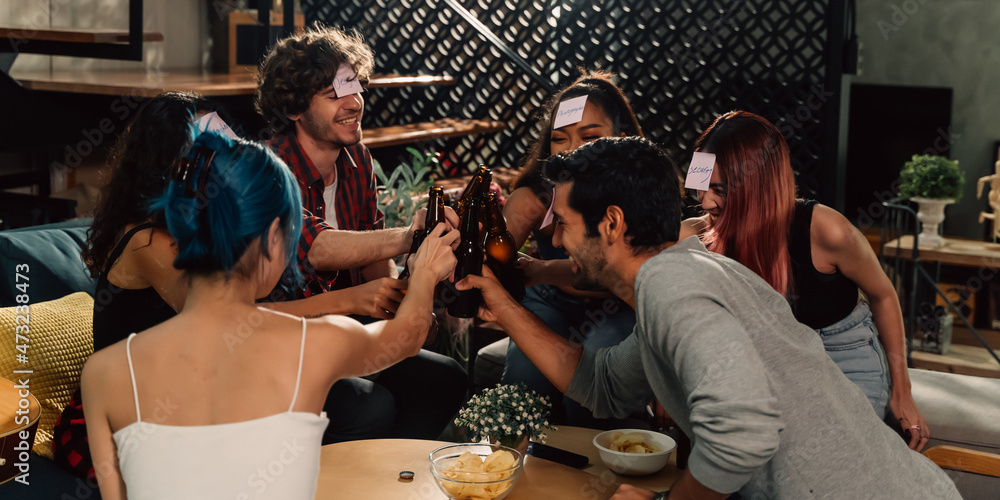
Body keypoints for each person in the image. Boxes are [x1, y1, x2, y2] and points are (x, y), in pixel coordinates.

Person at [457, 137, 960, 500]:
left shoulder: (671, 285)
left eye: (563, 224)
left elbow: (742, 434)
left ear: (610, 223)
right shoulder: (680, 272)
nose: (558, 240)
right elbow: (603, 384)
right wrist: (503, 306)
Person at [52, 91, 454, 480]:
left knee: (436, 379)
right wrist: (356, 297)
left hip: (219, 363)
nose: (226, 153)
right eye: (210, 144)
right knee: (363, 404)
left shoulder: (217, 219)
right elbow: (225, 319)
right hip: (173, 385)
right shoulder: (151, 240)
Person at [254, 25, 468, 442]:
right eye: (335, 95)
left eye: (355, 88)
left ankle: (391, 476)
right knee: (369, 404)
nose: (354, 103)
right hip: (281, 341)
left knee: (446, 379)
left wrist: (406, 305)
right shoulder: (266, 168)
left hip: (345, 330)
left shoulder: (357, 160)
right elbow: (316, 248)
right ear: (295, 108)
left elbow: (371, 259)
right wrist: (410, 236)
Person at [678, 110, 928, 450]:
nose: (706, 203)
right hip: (768, 359)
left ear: (758, 185)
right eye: (701, 189)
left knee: (830, 458)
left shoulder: (827, 229)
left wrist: (903, 392)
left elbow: (883, 295)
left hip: (840, 355)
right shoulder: (700, 233)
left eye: (719, 190)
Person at [499, 71, 640, 427]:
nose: (575, 149)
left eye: (590, 136)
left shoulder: (641, 193)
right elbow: (493, 259)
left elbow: (619, 280)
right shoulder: (537, 194)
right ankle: (517, 466)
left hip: (618, 307)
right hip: (551, 302)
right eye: (560, 139)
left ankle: (600, 474)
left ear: (621, 138)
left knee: (596, 371)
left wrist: (542, 270)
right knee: (525, 372)